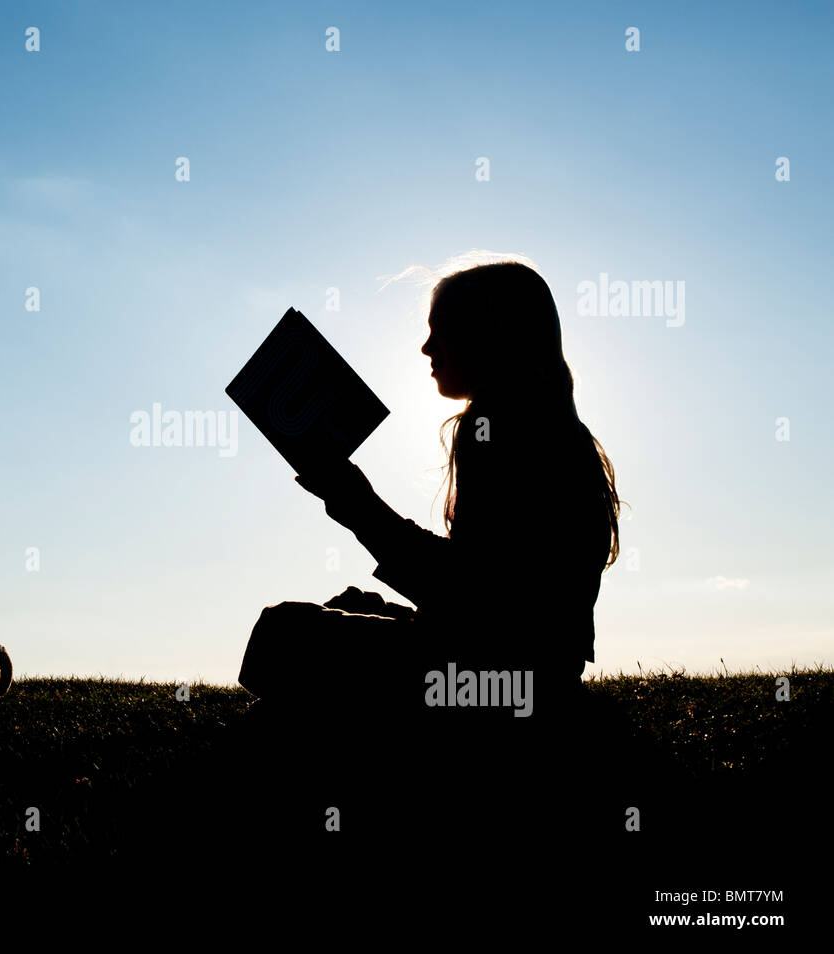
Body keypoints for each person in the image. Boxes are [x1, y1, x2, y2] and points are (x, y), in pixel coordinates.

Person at [235, 259, 623, 840]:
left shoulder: (494, 426)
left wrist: (356, 503)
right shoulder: (553, 427)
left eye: (441, 331)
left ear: (490, 334)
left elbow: (471, 598)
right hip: (537, 680)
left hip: (497, 686)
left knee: (282, 632)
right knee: (344, 609)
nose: (425, 347)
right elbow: (489, 589)